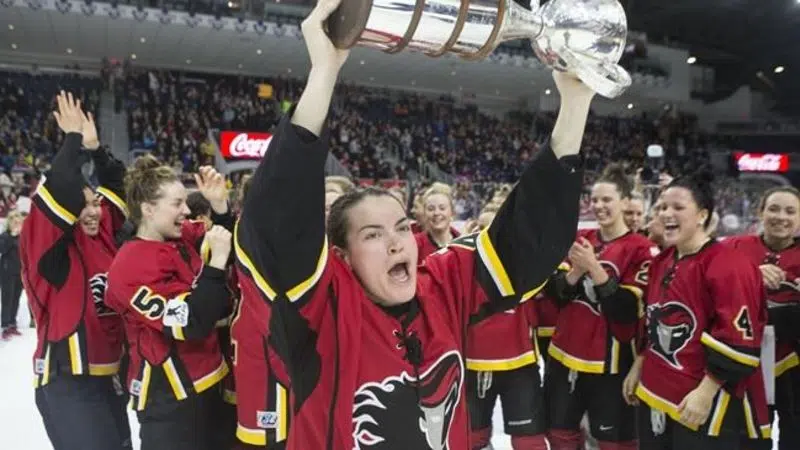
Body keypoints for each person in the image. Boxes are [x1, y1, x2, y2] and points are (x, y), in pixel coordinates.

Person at [234, 0, 593, 447]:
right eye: (372, 234)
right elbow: (280, 221)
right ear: (340, 256)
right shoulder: (321, 309)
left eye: (402, 227)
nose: (396, 243)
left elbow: (527, 240)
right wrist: (325, 71)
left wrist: (576, 102)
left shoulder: (440, 287)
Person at [20, 92, 131, 449]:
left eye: (95, 203)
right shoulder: (49, 246)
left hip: (109, 379)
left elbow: (116, 185)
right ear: (66, 211)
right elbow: (62, 185)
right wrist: (72, 140)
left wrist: (97, 148)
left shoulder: (104, 236)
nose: (94, 211)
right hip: (68, 382)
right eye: (83, 206)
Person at [624, 174, 766, 449]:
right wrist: (640, 362)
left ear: (702, 215)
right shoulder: (663, 260)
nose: (667, 214)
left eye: (678, 207)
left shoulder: (729, 265)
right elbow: (653, 320)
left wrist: (705, 392)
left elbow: (740, 340)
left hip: (701, 400)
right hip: (655, 390)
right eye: (662, 207)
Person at [105, 160, 234, 450]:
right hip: (170, 401)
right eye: (177, 203)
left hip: (212, 383)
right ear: (148, 209)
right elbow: (190, 323)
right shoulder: (129, 267)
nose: (187, 211)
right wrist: (215, 265)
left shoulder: (182, 235)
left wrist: (221, 207)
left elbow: (231, 246)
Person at [544, 163, 655, 450]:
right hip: (564, 357)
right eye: (594, 199)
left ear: (625, 201)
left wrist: (593, 267)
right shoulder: (580, 239)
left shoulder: (640, 248)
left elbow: (627, 309)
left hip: (612, 365)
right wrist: (576, 272)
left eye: (607, 199)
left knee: (615, 441)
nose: (599, 206)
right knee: (560, 435)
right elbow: (556, 296)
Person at [725, 186, 800, 450]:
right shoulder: (734, 247)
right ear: (760, 212)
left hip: (791, 363)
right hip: (744, 360)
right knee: (749, 435)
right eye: (774, 209)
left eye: (791, 211)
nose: (781, 217)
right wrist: (751, 275)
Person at [0, 209, 24, 339]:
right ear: (10, 223)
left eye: (19, 223)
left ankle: (12, 323)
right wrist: (12, 236)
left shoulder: (22, 237)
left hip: (19, 272)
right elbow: (2, 250)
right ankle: (5, 326)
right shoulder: (5, 236)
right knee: (7, 300)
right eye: (14, 223)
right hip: (7, 272)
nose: (17, 225)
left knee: (16, 299)